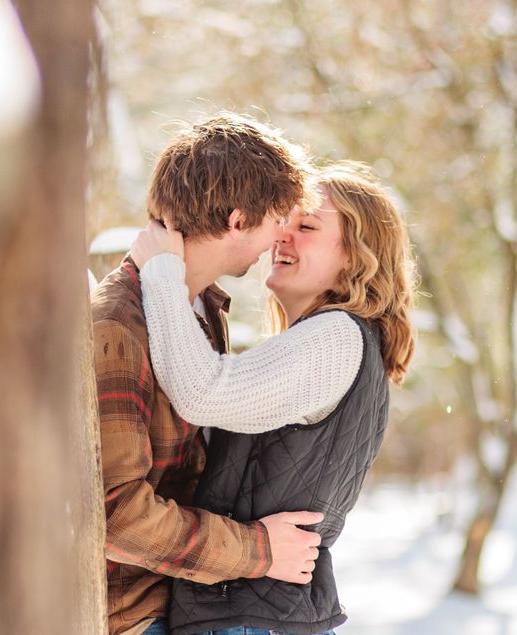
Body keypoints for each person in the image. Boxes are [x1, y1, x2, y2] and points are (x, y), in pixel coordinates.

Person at [130, 162, 417, 635]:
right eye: (285, 222)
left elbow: (203, 393)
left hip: (249, 616)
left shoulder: (336, 338)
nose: (282, 235)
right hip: (254, 612)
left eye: (306, 226)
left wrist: (162, 271)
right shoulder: (342, 341)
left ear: (356, 256)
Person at [92, 113, 326, 635]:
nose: (279, 239)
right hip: (138, 615)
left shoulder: (200, 308)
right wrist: (257, 551)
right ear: (240, 220)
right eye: (277, 220)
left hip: (187, 600)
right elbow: (116, 512)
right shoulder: (119, 325)